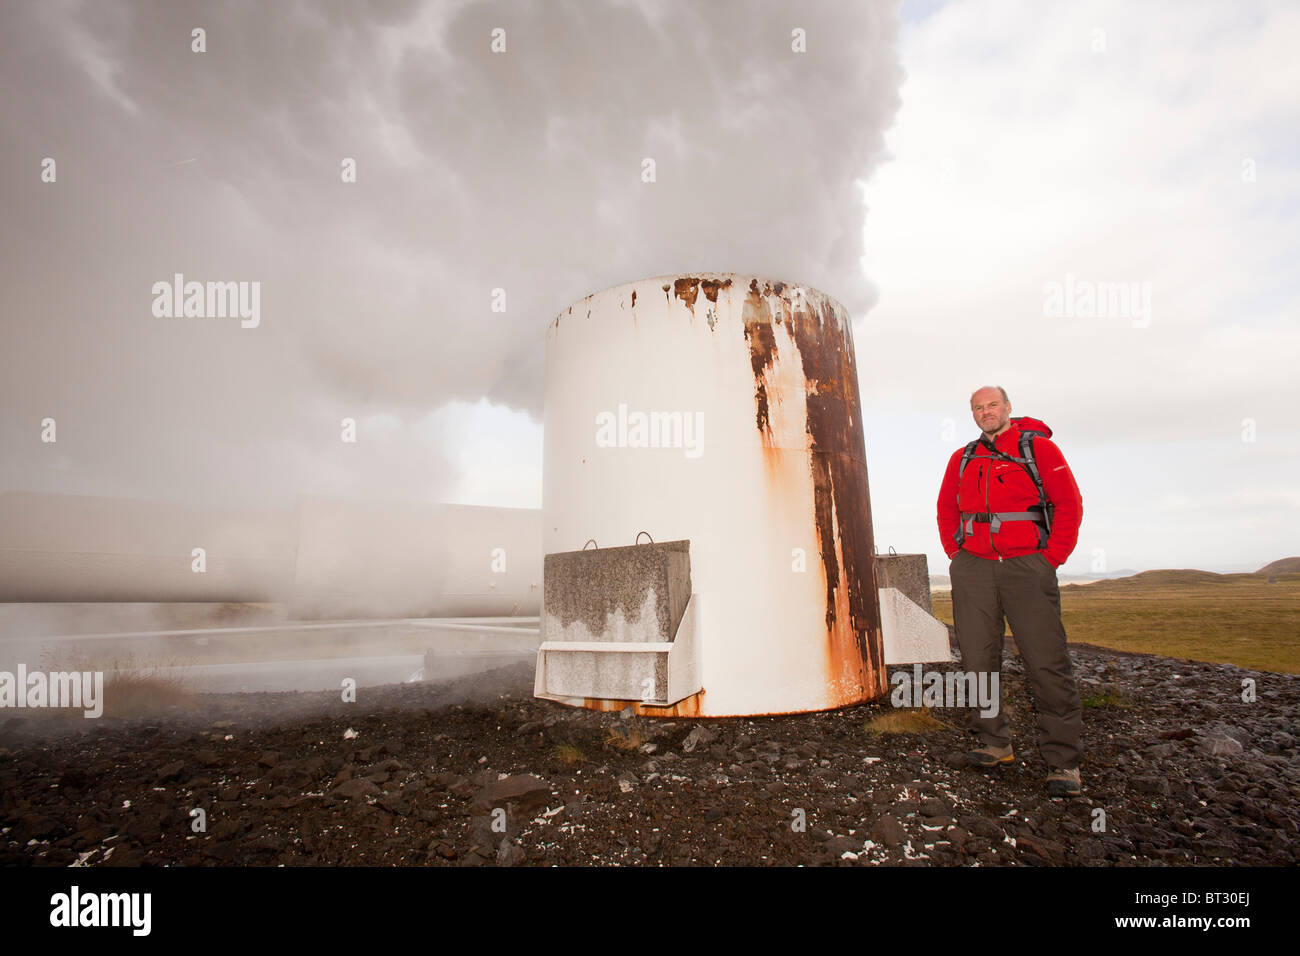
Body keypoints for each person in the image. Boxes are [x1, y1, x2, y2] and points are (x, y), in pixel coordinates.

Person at [936, 386, 1085, 797]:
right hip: (974, 570)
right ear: (973, 414)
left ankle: (1063, 762)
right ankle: (994, 743)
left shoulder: (1040, 450)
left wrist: (1050, 558)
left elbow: (1069, 504)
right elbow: (947, 507)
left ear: (1008, 408)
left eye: (993, 405)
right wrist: (957, 553)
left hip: (1027, 567)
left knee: (1046, 662)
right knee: (978, 658)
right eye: (978, 408)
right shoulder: (962, 458)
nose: (986, 412)